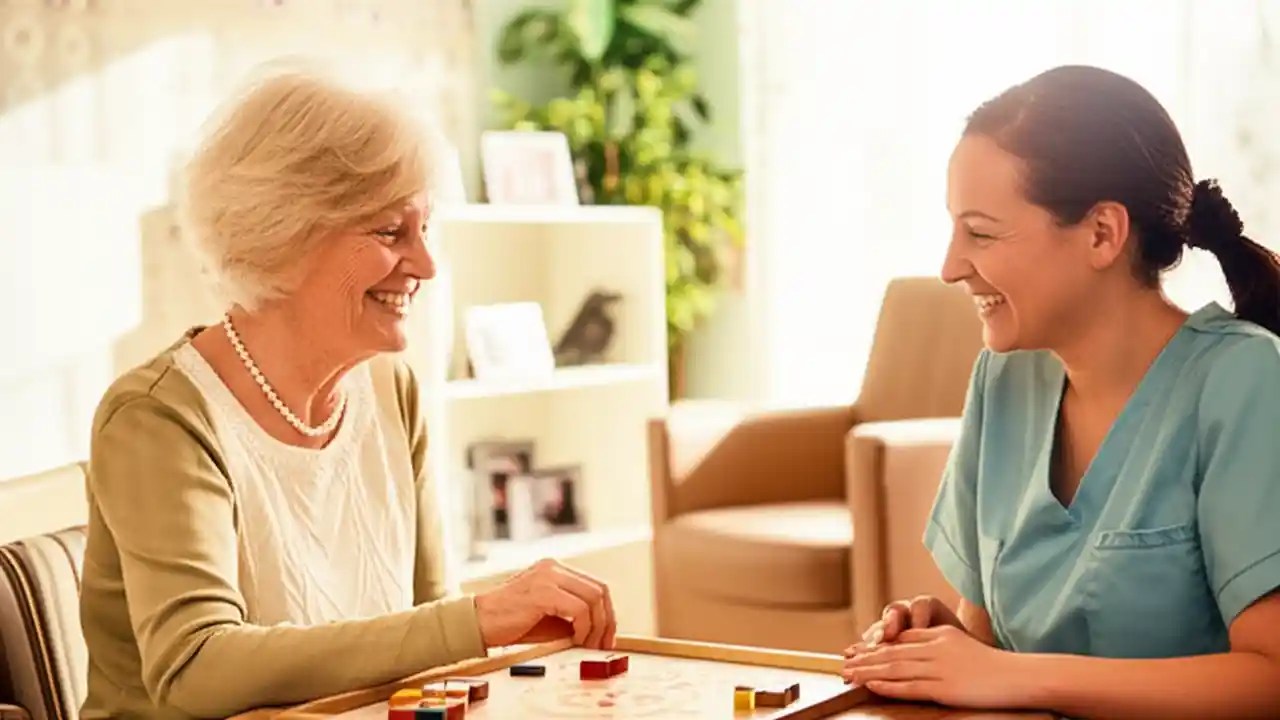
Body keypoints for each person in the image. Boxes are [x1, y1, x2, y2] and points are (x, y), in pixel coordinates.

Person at [79, 62, 615, 720]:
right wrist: (479, 619)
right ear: (284, 236)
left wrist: (506, 646)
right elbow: (196, 667)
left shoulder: (392, 390)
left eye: (425, 229)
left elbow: (432, 639)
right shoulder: (160, 419)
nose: (425, 264)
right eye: (392, 232)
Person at [842, 65, 1280, 719]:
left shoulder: (1244, 380)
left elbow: (1270, 679)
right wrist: (943, 647)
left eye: (981, 232)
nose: (950, 265)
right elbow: (993, 652)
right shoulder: (1003, 379)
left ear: (1102, 233)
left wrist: (1014, 676)